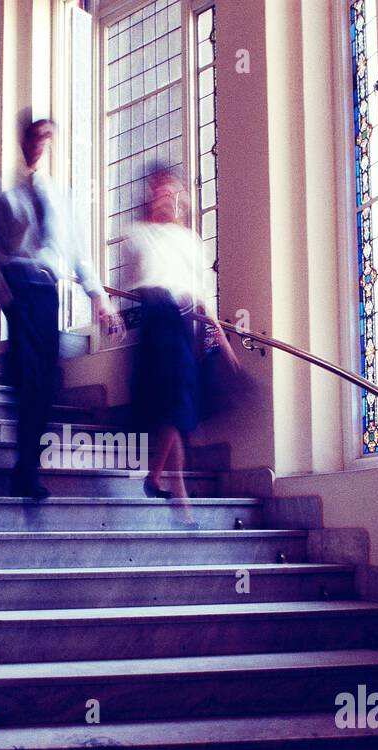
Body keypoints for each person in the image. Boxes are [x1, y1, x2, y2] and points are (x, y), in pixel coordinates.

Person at [0, 117, 123, 499]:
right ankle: (26, 469)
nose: (42, 143)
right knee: (30, 378)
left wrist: (100, 300)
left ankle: (26, 465)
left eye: (48, 137)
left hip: (48, 292)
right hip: (19, 288)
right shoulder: (3, 193)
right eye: (36, 135)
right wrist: (5, 297)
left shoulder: (62, 198)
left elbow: (79, 253)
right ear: (24, 141)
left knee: (42, 383)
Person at [124, 164, 238, 519]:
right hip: (154, 320)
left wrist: (222, 338)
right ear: (151, 194)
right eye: (161, 190)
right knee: (173, 408)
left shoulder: (191, 242)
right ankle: (173, 487)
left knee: (178, 407)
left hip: (179, 323)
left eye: (174, 191)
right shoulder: (137, 234)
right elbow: (134, 282)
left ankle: (165, 482)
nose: (168, 198)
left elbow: (202, 296)